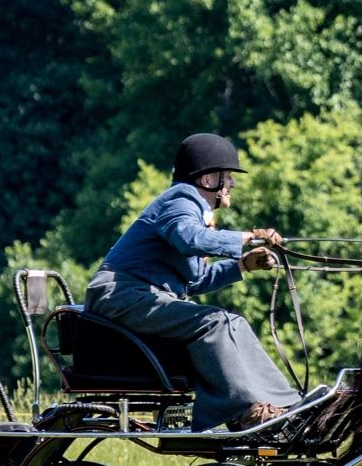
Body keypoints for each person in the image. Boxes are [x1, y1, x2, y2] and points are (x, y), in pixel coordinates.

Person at [86, 133, 303, 430]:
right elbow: (192, 240)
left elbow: (195, 280)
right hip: (119, 294)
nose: (232, 184)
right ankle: (243, 411)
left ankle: (287, 404)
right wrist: (250, 236)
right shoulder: (181, 200)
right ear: (207, 179)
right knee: (215, 322)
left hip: (137, 295)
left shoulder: (192, 211)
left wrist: (242, 265)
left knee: (232, 321)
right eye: (227, 176)